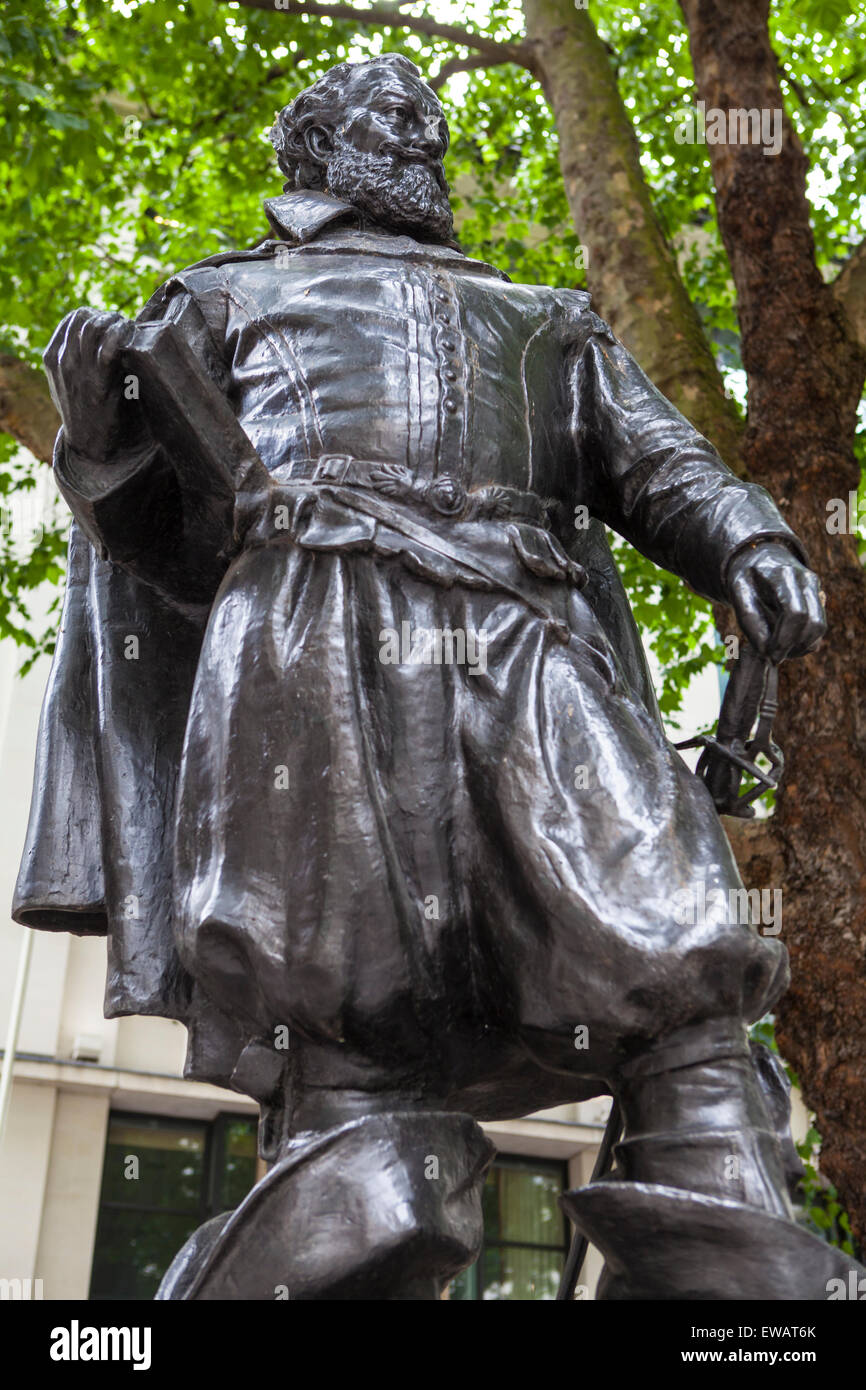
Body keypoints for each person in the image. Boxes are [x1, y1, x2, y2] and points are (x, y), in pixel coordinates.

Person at [17, 55, 852, 1299]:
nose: (411, 127)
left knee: (677, 950)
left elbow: (655, 462)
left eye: (421, 119)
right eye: (378, 115)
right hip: (306, 646)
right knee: (345, 1006)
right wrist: (99, 448)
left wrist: (747, 537)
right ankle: (337, 1222)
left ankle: (721, 1255)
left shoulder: (544, 317)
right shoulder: (214, 301)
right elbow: (178, 563)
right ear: (312, 148)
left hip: (527, 641)